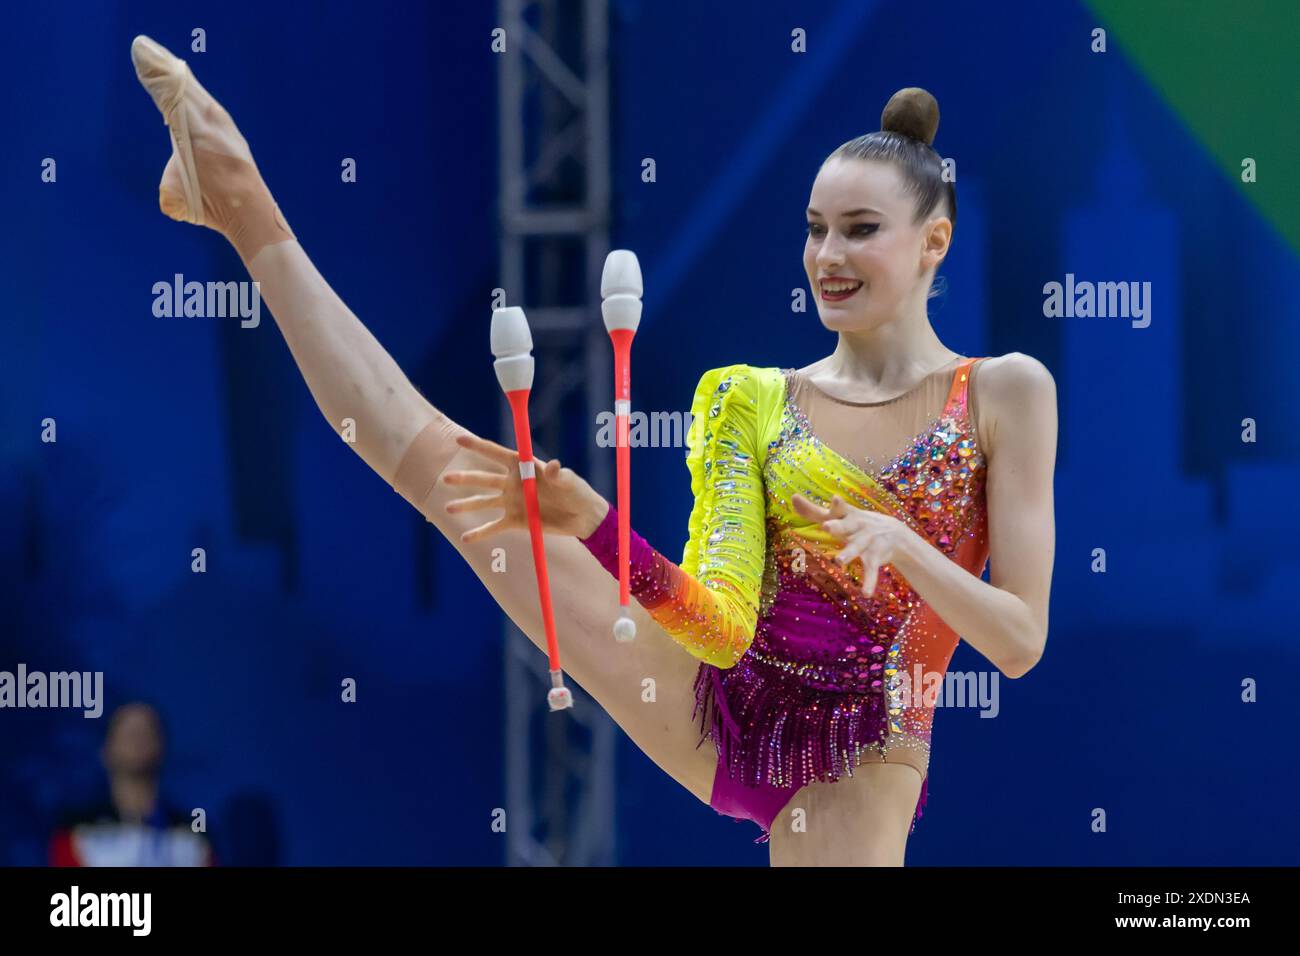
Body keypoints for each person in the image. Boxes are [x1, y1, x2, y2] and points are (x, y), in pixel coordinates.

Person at [130, 35, 1056, 865]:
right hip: (715, 702)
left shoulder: (1005, 393)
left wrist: (904, 548)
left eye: (860, 231)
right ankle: (240, 201)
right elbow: (723, 625)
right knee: (455, 480)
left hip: (862, 750)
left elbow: (1019, 641)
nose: (827, 255)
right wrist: (601, 528)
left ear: (934, 241)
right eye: (815, 228)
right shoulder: (753, 399)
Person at [49, 702, 215, 866]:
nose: (137, 741)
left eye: (146, 732)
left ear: (163, 747)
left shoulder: (193, 835)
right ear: (106, 750)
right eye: (129, 733)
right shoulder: (76, 832)